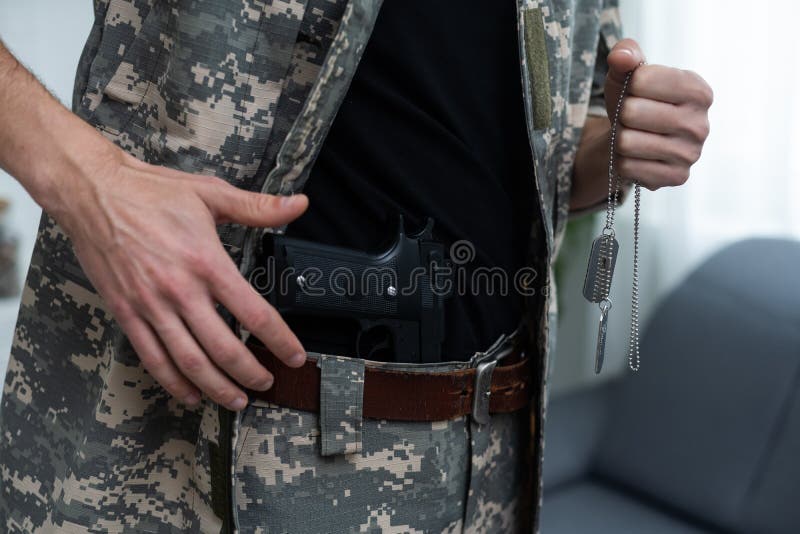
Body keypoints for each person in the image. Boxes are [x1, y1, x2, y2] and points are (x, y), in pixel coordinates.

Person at [0, 0, 712, 532]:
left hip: (491, 465)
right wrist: (89, 183)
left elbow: (553, 145)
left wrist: (625, 144)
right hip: (178, 446)